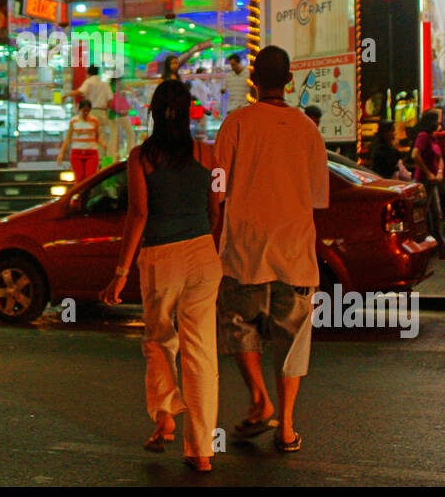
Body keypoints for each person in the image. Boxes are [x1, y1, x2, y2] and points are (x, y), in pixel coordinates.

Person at [99, 79, 223, 473]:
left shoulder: (141, 157)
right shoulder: (210, 153)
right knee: (201, 353)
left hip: (160, 257)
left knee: (158, 341)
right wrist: (209, 242)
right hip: (204, 253)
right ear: (188, 112)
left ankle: (166, 411)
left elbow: (138, 214)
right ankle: (201, 451)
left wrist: (120, 272)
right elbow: (217, 205)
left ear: (153, 113)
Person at [214, 46, 328, 455]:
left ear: (253, 82)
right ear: (291, 80)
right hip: (295, 252)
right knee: (292, 339)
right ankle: (287, 427)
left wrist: (216, 233)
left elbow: (217, 188)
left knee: (238, 324)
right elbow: (317, 198)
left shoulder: (236, 123)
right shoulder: (308, 131)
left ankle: (259, 399)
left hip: (245, 250)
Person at [410, 108, 445, 259]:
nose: (440, 122)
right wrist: (428, 173)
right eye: (438, 119)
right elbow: (415, 154)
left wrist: (439, 173)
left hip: (432, 182)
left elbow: (440, 158)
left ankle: (441, 247)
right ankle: (426, 247)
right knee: (423, 215)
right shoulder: (423, 136)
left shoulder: (433, 137)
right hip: (423, 182)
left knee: (436, 215)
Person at [57, 99, 104, 183]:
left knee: (90, 178)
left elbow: (97, 136)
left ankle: (88, 195)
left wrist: (103, 144)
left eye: (88, 111)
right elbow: (68, 138)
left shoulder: (95, 121)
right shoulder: (74, 121)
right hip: (77, 153)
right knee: (79, 179)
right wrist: (61, 153)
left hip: (91, 153)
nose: (86, 113)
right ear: (80, 110)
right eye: (84, 110)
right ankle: (81, 196)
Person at [72, 64, 112, 154]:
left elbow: (80, 92)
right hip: (102, 112)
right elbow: (110, 99)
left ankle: (91, 157)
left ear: (88, 73)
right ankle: (101, 160)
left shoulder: (89, 82)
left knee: (90, 136)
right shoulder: (104, 84)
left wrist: (67, 94)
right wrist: (105, 108)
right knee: (101, 136)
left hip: (91, 111)